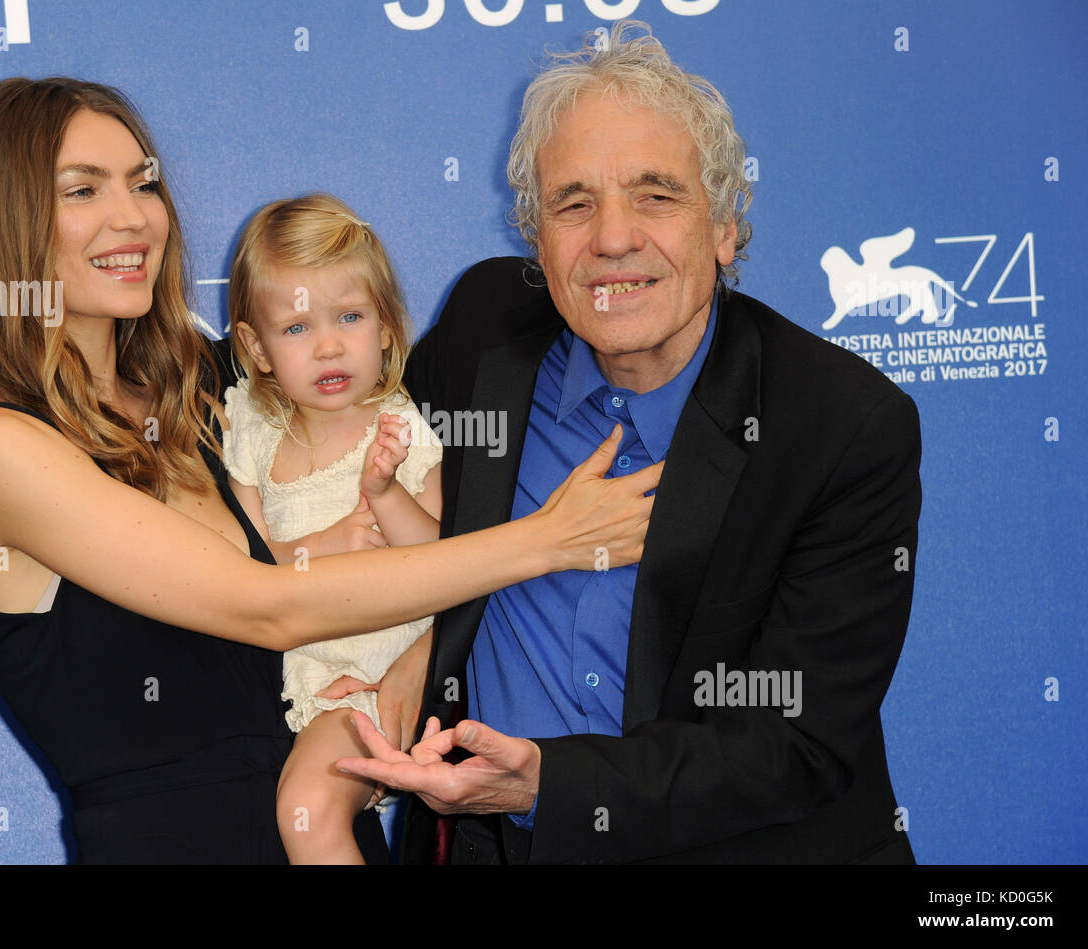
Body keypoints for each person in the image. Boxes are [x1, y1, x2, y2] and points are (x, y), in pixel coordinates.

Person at [0, 76, 662, 863]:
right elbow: (270, 606)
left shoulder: (205, 385)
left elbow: (374, 397)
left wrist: (415, 661)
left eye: (143, 182)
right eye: (82, 189)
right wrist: (547, 540)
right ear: (2, 222)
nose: (131, 216)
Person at [338, 21, 922, 865]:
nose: (612, 238)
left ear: (724, 227)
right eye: (574, 203)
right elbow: (305, 408)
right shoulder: (480, 336)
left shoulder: (838, 424)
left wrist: (549, 783)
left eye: (655, 194)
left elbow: (794, 742)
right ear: (537, 240)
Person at [223, 194, 442, 863]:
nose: (328, 344)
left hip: (395, 678)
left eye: (350, 316)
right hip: (312, 690)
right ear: (255, 347)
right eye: (296, 328)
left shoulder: (398, 425)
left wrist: (383, 495)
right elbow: (241, 573)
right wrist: (331, 543)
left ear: (385, 328)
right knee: (289, 814)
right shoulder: (253, 434)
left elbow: (445, 562)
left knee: (308, 813)